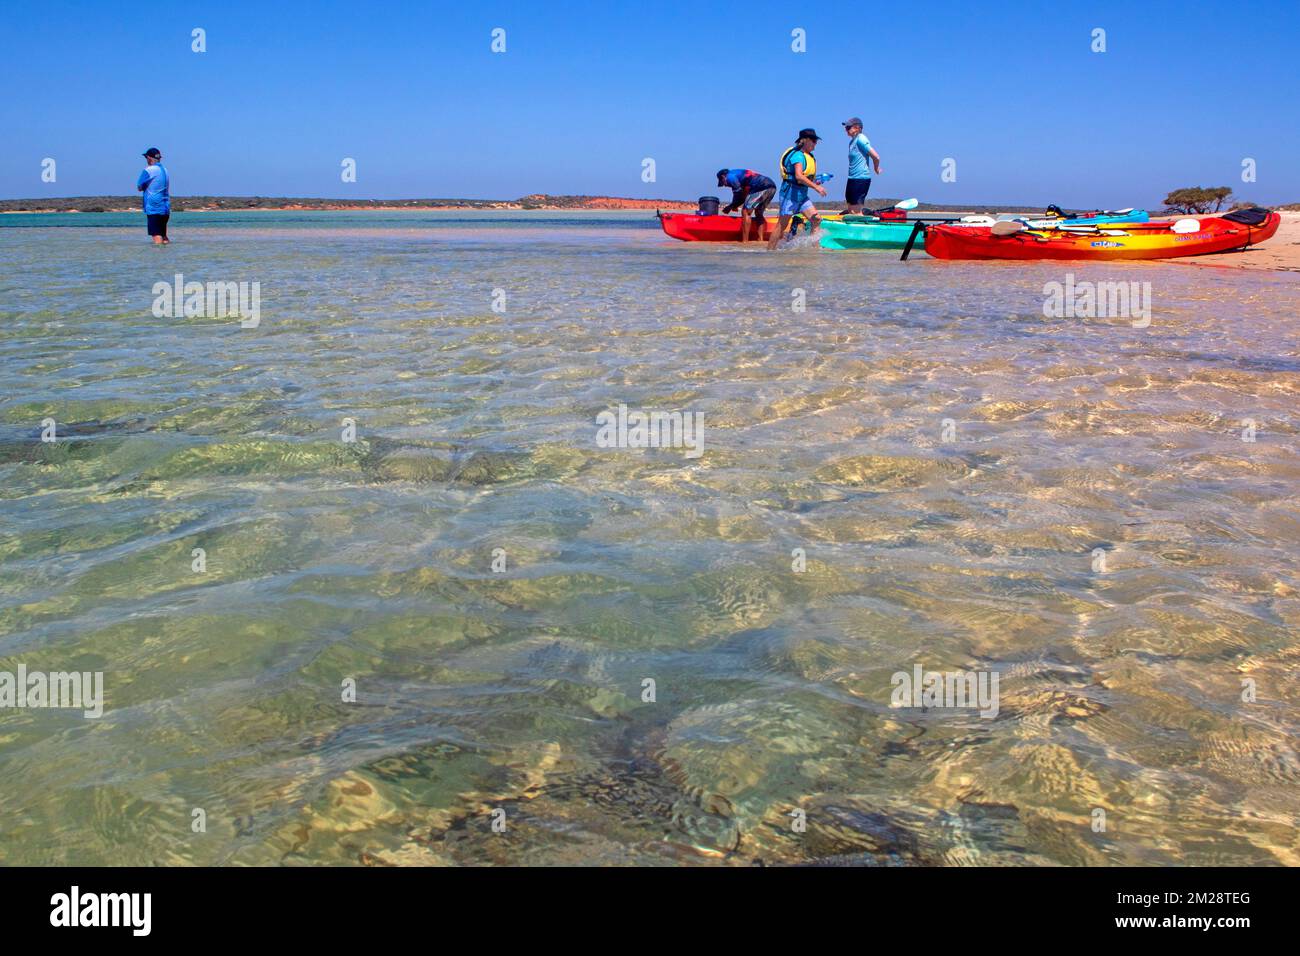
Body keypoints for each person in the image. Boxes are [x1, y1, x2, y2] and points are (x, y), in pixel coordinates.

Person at [768, 129, 827, 250]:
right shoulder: (798, 156)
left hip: (802, 196)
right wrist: (816, 187)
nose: (815, 144)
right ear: (804, 140)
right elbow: (799, 176)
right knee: (781, 226)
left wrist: (816, 182)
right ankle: (770, 251)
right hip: (790, 195)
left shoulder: (809, 156)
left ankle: (815, 249)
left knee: (816, 220)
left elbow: (805, 177)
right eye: (814, 140)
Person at [717, 168, 777, 242]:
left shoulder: (730, 177)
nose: (725, 186)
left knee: (746, 212)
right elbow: (743, 196)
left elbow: (738, 194)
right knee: (758, 213)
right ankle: (760, 240)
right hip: (772, 186)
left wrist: (731, 207)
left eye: (723, 183)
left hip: (760, 186)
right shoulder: (739, 177)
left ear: (723, 177)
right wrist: (733, 205)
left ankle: (745, 241)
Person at [841, 118, 882, 215]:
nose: (846, 130)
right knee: (851, 209)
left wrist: (876, 168)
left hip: (861, 178)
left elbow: (876, 156)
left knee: (855, 211)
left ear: (857, 128)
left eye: (848, 127)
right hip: (852, 178)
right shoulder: (852, 142)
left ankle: (864, 222)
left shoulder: (861, 138)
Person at [136, 147, 171, 244]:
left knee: (156, 235)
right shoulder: (165, 170)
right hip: (165, 208)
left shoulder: (149, 170)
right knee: (163, 235)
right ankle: (167, 256)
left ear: (149, 158)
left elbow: (139, 187)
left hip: (154, 208)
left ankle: (157, 257)